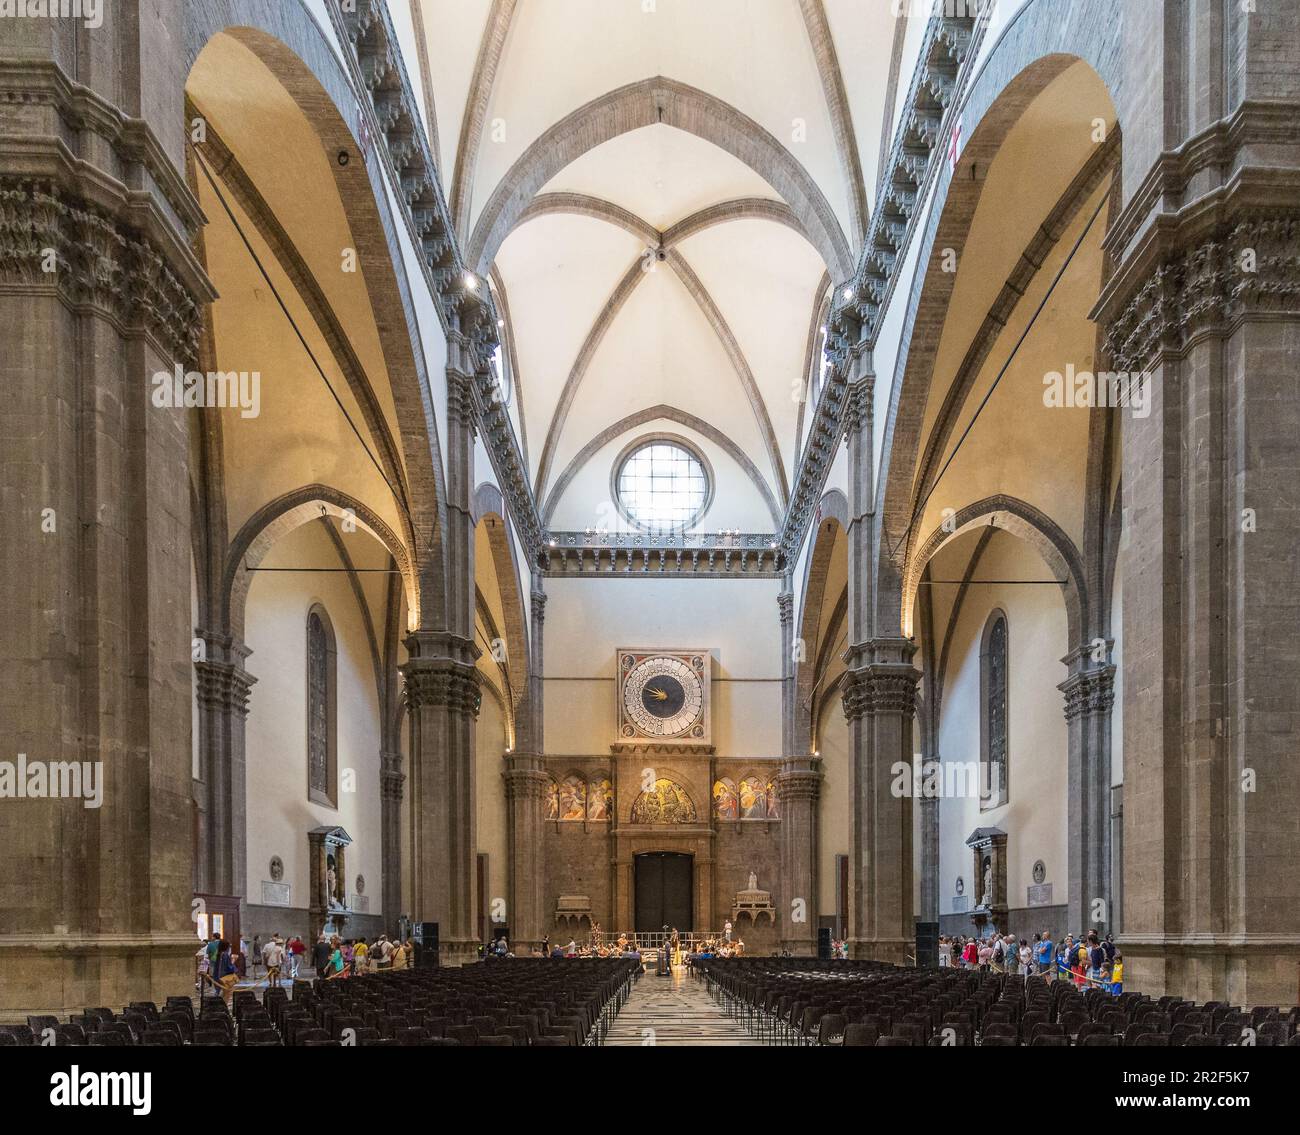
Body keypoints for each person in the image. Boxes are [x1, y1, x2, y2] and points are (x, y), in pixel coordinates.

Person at [214, 939, 239, 1005]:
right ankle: (223, 1008)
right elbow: (229, 967)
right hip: (225, 977)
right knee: (227, 994)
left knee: (223, 993)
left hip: (218, 976)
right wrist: (233, 960)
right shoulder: (225, 955)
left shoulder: (219, 954)